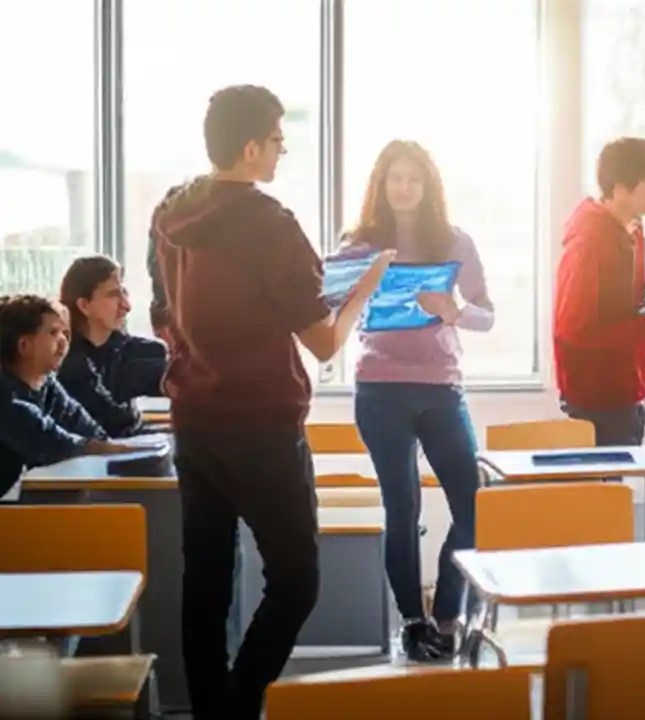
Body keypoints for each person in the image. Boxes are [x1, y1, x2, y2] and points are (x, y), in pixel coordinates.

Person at [148, 84, 391, 720]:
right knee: (297, 579)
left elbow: (162, 312)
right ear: (252, 147)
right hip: (261, 424)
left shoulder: (170, 213)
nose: (282, 151)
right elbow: (323, 342)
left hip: (195, 422)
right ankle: (237, 703)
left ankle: (213, 711)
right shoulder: (270, 223)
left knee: (205, 583)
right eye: (279, 140)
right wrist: (362, 288)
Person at [342, 140, 493, 661]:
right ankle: (412, 621)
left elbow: (487, 313)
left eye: (414, 178)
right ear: (381, 187)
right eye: (394, 178)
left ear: (428, 187)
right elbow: (325, 300)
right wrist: (356, 289)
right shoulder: (359, 244)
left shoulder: (455, 241)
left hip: (441, 387)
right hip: (379, 388)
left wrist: (454, 312)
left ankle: (447, 611)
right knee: (401, 507)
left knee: (473, 504)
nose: (404, 187)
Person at [553, 137, 645, 446]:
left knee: (620, 489)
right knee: (607, 493)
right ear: (619, 189)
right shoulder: (589, 241)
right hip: (597, 397)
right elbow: (573, 328)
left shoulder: (631, 228)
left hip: (624, 387)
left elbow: (619, 304)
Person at [0, 294, 139, 498]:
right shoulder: (6, 398)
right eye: (53, 333)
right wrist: (107, 448)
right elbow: (52, 441)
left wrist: (106, 443)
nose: (64, 340)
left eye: (65, 332)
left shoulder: (47, 384)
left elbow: (78, 421)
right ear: (24, 346)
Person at [58, 255, 168, 437]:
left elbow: (167, 370)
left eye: (124, 292)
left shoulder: (129, 349)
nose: (127, 306)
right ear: (84, 305)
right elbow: (110, 420)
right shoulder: (67, 360)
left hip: (128, 443)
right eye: (114, 295)